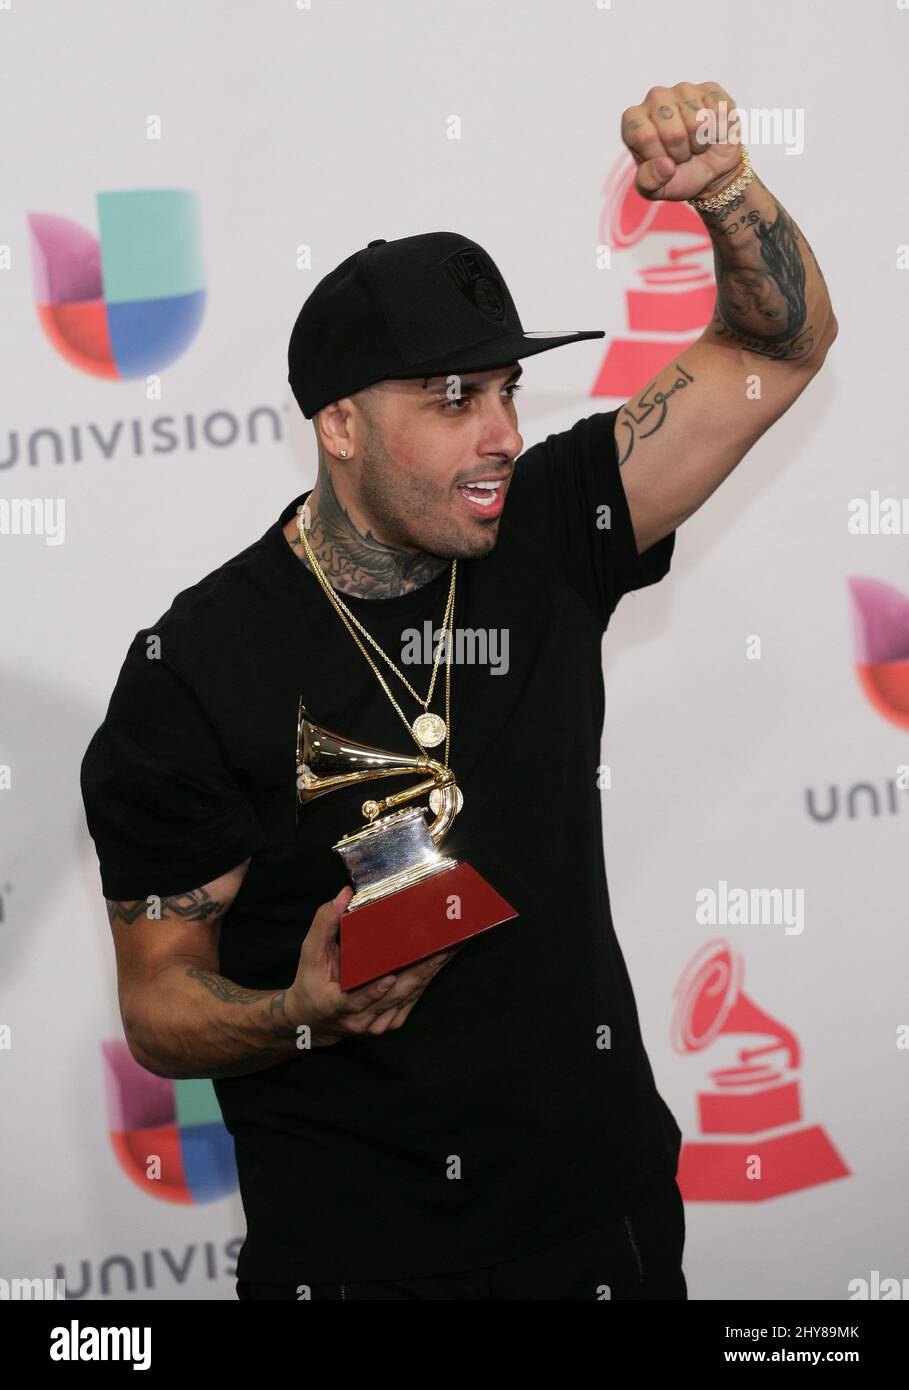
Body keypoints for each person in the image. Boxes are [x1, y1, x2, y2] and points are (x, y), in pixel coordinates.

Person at [80, 85, 837, 1301]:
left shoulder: (548, 527)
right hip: (362, 1263)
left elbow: (774, 350)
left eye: (505, 391)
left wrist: (726, 192)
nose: (498, 434)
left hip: (605, 1225)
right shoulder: (196, 668)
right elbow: (161, 1003)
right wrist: (297, 1006)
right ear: (337, 425)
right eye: (451, 400)